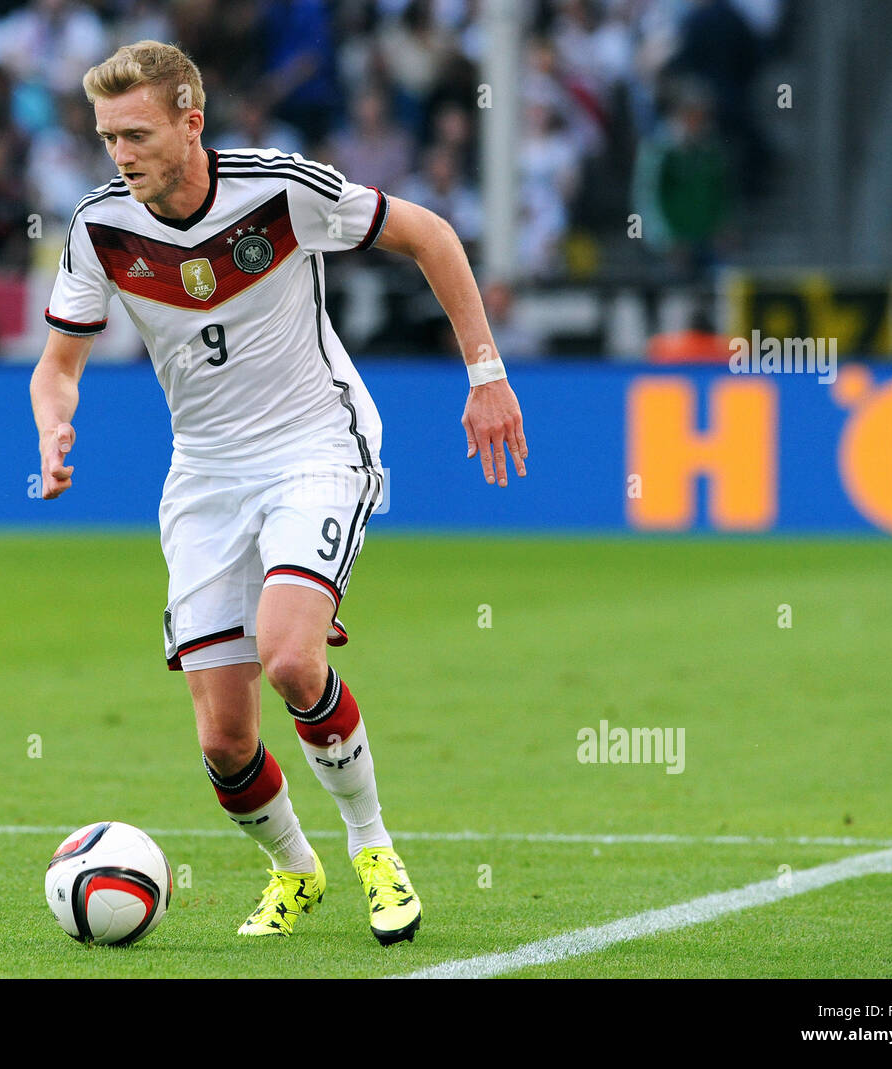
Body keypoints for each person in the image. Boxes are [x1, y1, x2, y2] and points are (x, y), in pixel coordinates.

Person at [30, 40, 527, 946]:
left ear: (192, 120)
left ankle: (376, 848)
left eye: (137, 133)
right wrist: (54, 423)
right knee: (224, 740)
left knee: (292, 656)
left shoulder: (283, 189)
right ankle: (296, 869)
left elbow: (431, 234)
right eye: (107, 138)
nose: (121, 154)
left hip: (314, 445)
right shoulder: (99, 228)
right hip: (204, 474)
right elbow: (56, 365)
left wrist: (485, 373)